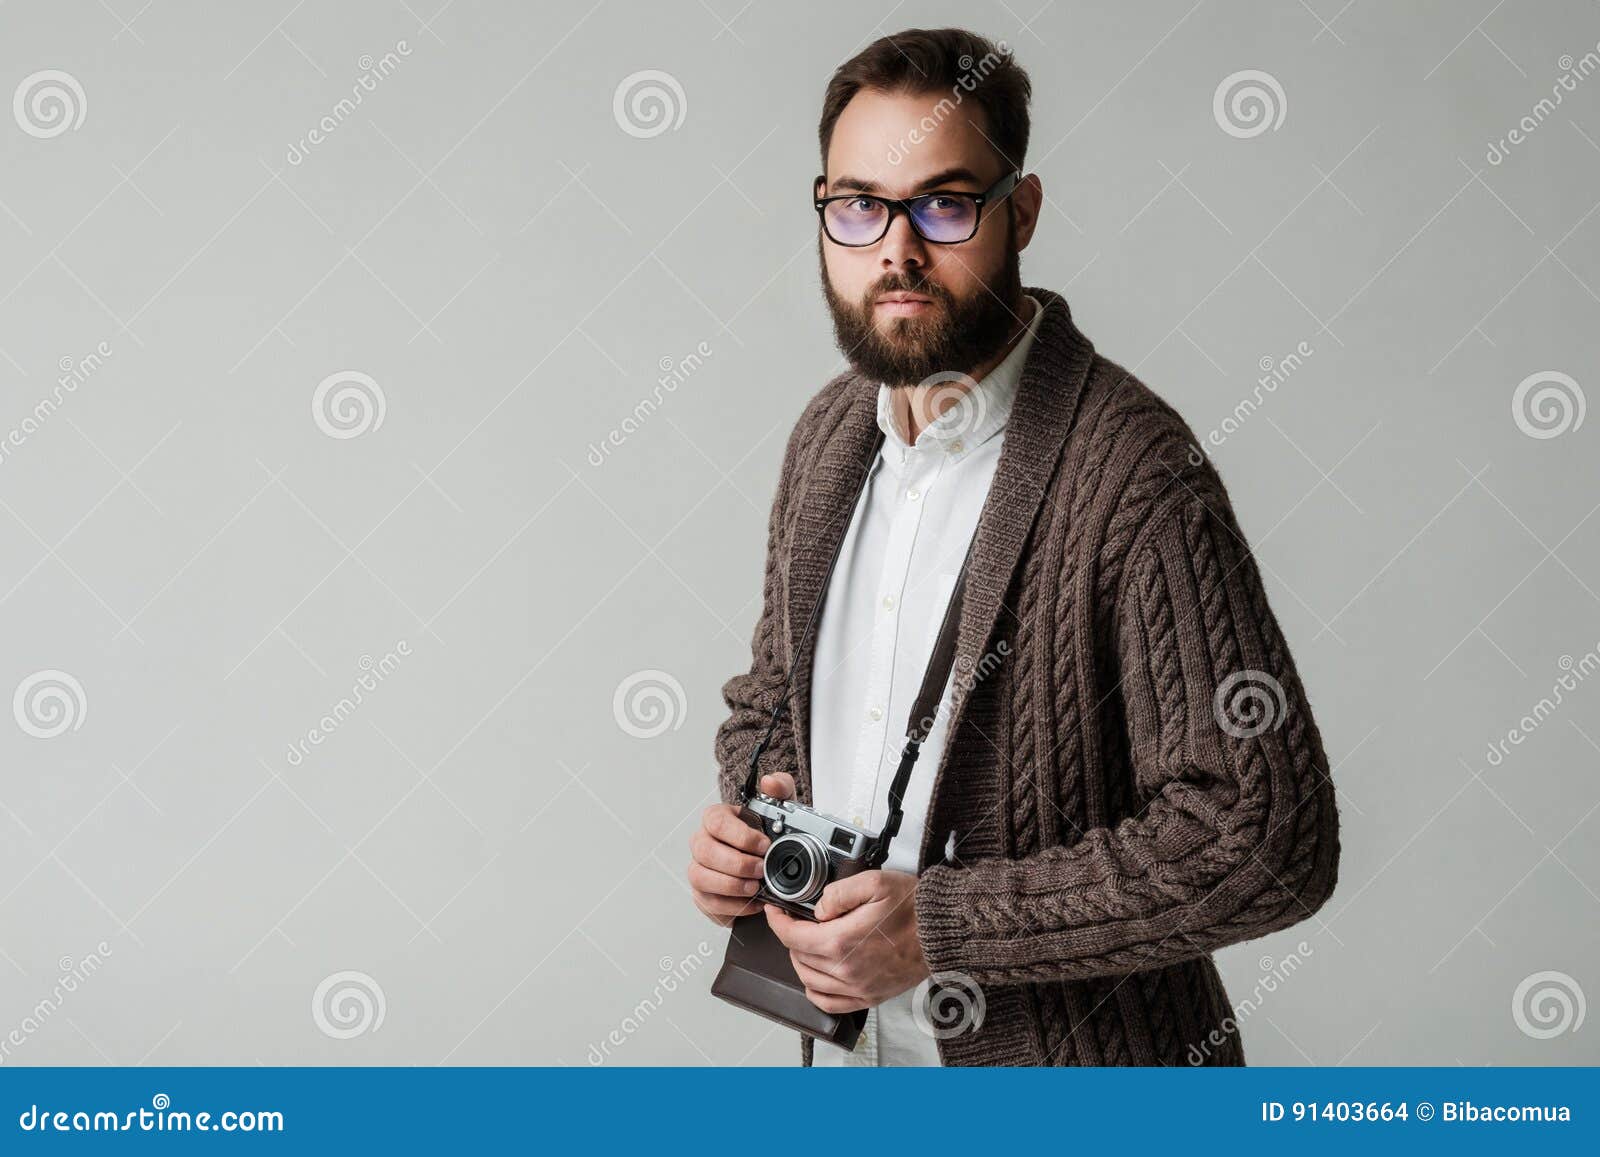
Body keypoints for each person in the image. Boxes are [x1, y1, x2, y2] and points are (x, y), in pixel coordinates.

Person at [688, 26, 1340, 1067]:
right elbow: (770, 700)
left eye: (942, 204)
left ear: (1020, 212)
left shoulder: (1133, 471)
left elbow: (1264, 837)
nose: (894, 250)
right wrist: (754, 811)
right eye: (856, 206)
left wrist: (941, 925)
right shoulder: (825, 438)